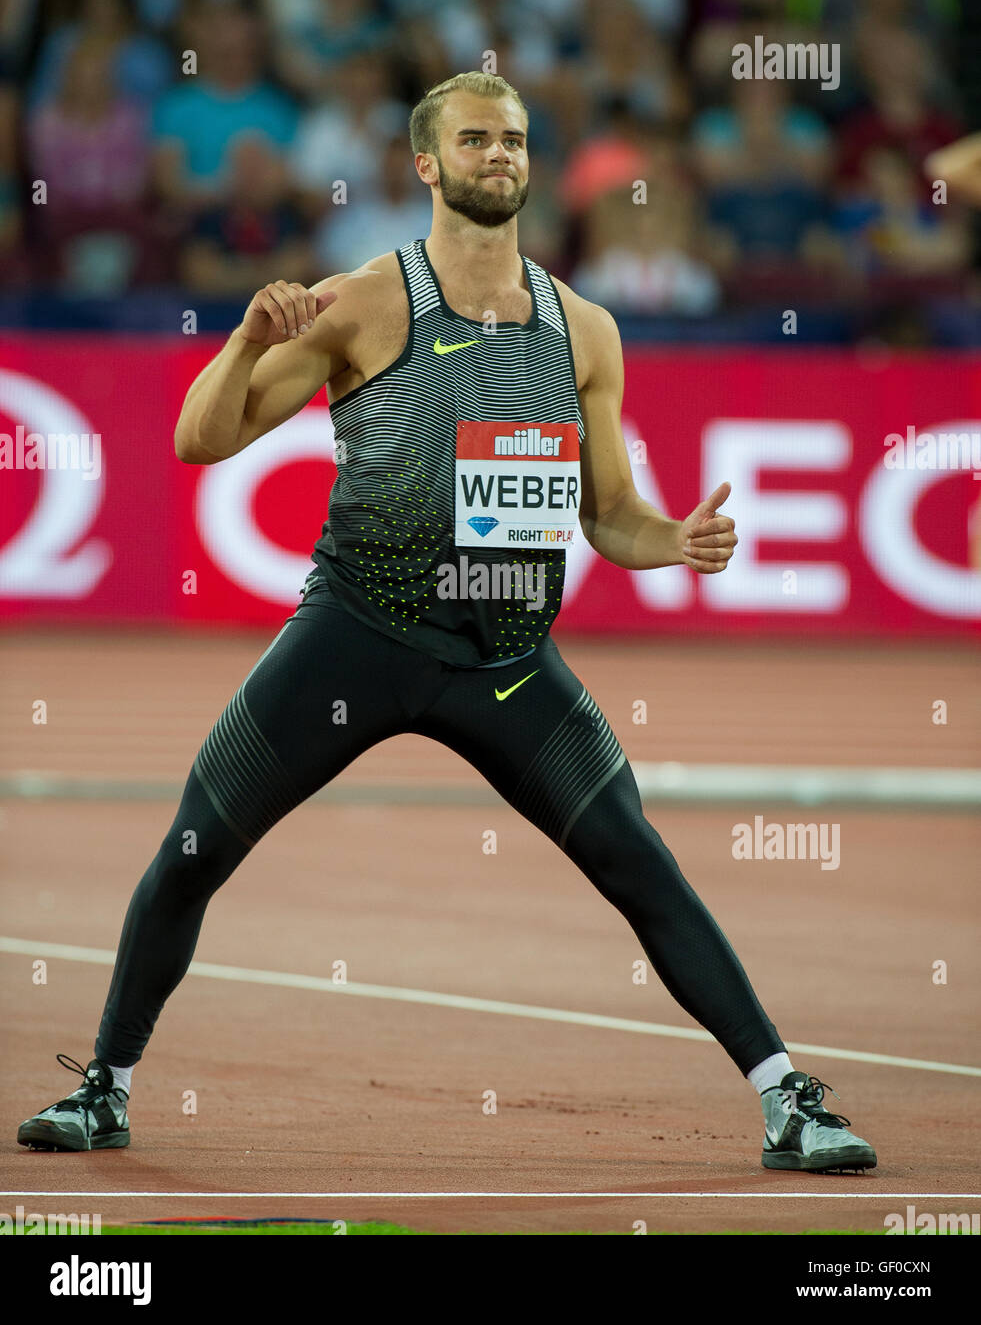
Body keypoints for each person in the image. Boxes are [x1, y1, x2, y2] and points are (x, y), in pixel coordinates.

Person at [18, 72, 876, 1174]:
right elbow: (197, 441)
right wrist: (240, 342)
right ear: (425, 165)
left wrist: (674, 540)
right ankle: (105, 1088)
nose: (499, 156)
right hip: (358, 637)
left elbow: (608, 513)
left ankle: (787, 1101)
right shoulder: (367, 301)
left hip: (507, 658)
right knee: (193, 846)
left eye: (514, 140)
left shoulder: (587, 329)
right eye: (475, 140)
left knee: (637, 859)